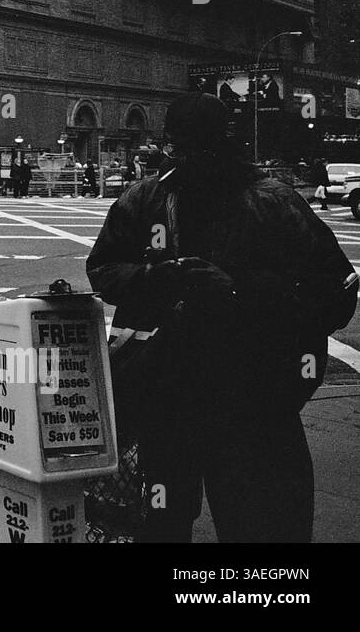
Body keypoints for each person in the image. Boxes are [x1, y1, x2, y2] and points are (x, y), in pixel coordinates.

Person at [87, 91, 358, 542]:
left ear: (222, 143)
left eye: (199, 146)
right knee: (163, 520)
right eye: (178, 147)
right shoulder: (147, 198)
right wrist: (160, 277)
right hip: (168, 399)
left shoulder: (273, 203)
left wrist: (237, 291)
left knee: (261, 524)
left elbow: (334, 293)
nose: (186, 158)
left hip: (255, 402)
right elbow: (104, 269)